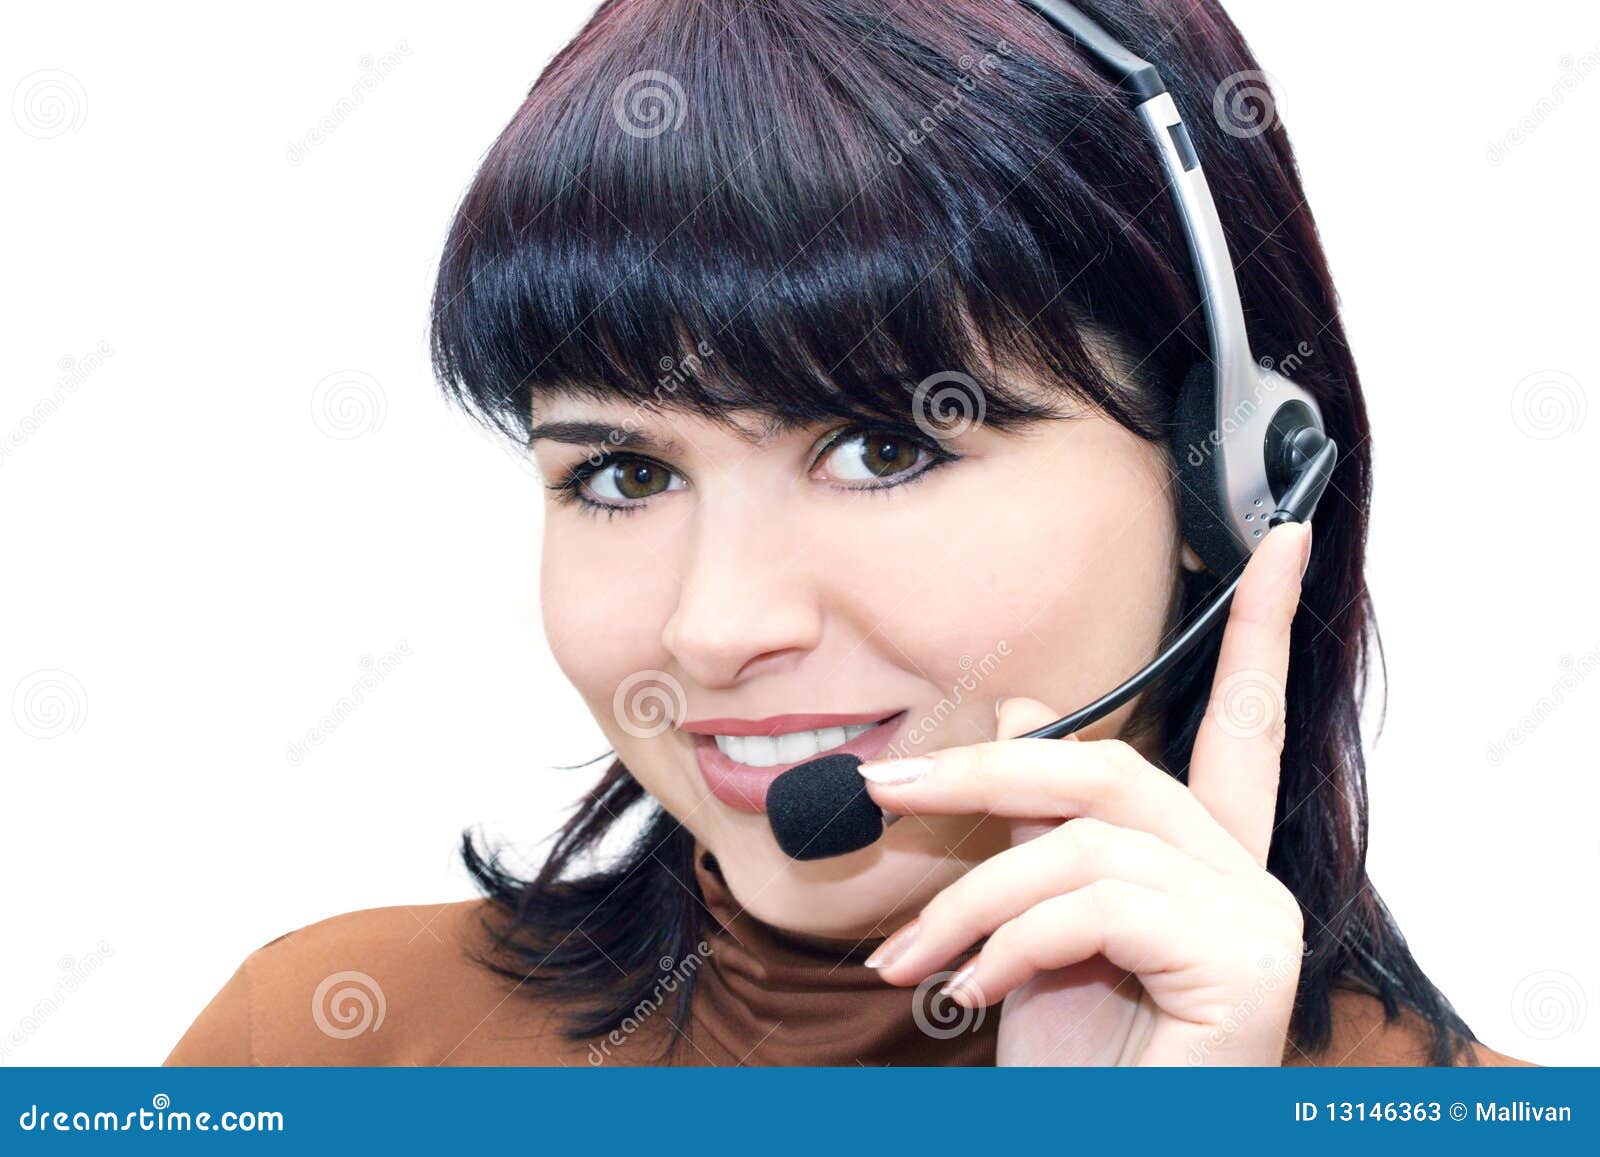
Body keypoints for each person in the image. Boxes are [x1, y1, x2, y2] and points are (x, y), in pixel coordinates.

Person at [167, 0, 1532, 1067]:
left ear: (1227, 482)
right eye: (627, 474)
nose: (713, 626)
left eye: (884, 447)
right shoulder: (323, 1047)